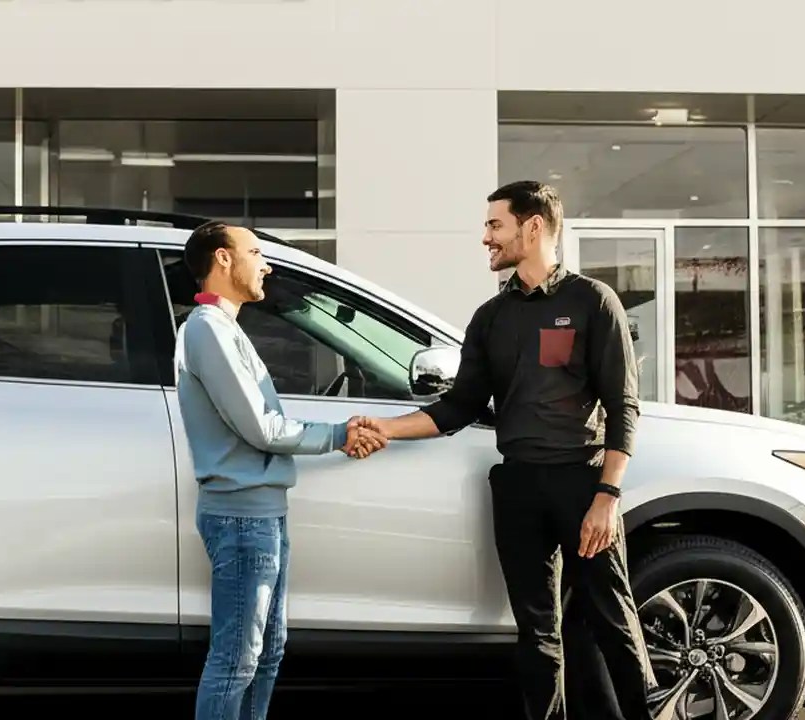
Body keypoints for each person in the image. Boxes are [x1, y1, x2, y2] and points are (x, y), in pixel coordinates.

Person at [348, 181, 656, 719]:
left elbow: (623, 405)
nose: (485, 237)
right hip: (518, 487)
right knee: (537, 632)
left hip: (581, 483)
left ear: (533, 226)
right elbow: (458, 406)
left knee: (612, 619)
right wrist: (385, 428)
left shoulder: (591, 301)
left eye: (495, 225)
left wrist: (608, 494)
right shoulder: (491, 318)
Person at [174, 219, 387, 720]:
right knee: (236, 659)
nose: (265, 263)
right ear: (223, 259)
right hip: (242, 519)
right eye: (254, 251)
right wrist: (339, 435)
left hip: (263, 515)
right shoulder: (207, 331)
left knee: (265, 655)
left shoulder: (224, 329)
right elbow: (262, 429)